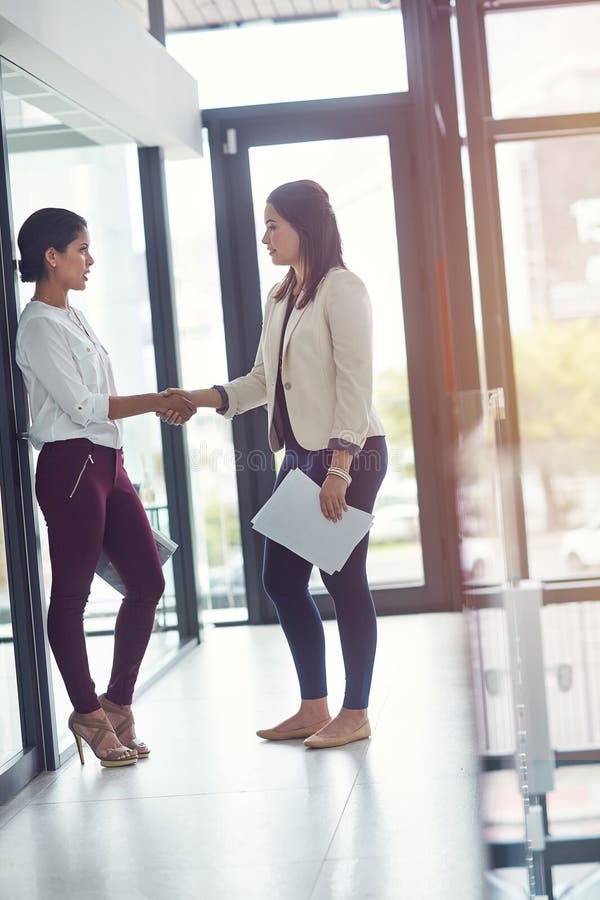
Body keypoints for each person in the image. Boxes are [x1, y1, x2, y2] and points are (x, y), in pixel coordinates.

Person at [163, 180, 388, 748]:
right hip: (301, 455)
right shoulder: (281, 296)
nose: (264, 237)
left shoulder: (343, 289)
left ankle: (355, 711)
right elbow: (263, 380)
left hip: (349, 454)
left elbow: (356, 385)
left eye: (273, 225)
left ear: (303, 228)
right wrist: (200, 398)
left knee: (343, 580)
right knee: (281, 580)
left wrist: (339, 469)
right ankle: (314, 707)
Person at [15, 208, 195, 767]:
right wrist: (158, 401)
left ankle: (116, 702)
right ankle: (87, 713)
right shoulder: (38, 325)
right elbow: (80, 406)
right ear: (52, 256)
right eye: (82, 249)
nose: (90, 260)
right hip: (71, 467)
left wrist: (121, 453)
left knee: (147, 580)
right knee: (71, 595)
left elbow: (99, 405)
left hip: (107, 464)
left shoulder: (75, 316)